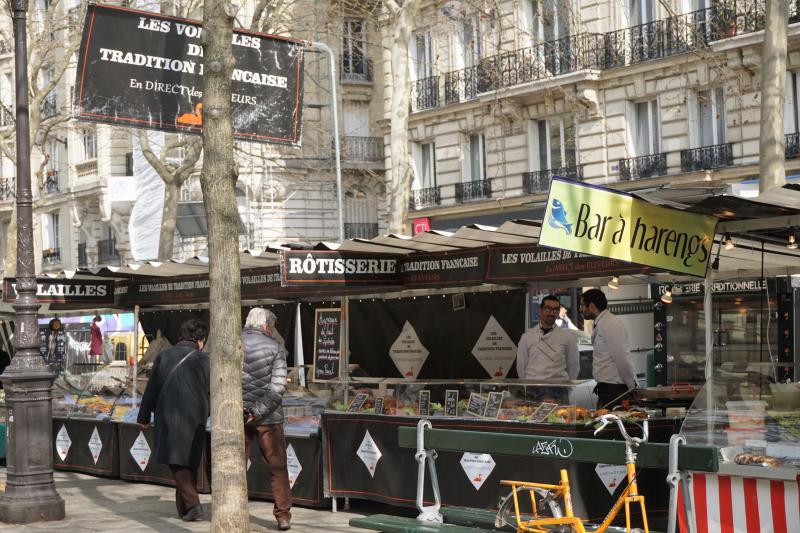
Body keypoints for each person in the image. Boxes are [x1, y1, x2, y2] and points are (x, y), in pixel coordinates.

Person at [137, 318, 210, 522]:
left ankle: (193, 505)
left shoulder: (165, 355)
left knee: (176, 462)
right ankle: (185, 509)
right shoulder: (205, 360)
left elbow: (151, 389)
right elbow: (212, 391)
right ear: (201, 340)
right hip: (196, 417)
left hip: (169, 415)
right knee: (188, 462)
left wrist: (143, 416)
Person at [242, 308, 292, 531]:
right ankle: (283, 516)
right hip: (269, 417)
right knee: (277, 468)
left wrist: (246, 410)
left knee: (236, 466)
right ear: (266, 326)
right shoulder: (275, 348)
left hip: (237, 415)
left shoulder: (231, 343)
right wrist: (259, 410)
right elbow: (278, 386)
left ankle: (236, 510)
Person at [580, 288, 637, 408]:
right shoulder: (600, 324)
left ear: (591, 306)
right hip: (606, 389)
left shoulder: (612, 324)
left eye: (582, 305)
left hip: (615, 390)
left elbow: (622, 358)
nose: (580, 309)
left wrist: (631, 386)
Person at [517, 295, 579, 402]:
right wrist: (528, 387)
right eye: (547, 308)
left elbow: (573, 365)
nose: (551, 312)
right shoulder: (527, 337)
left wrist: (567, 387)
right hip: (533, 390)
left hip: (559, 390)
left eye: (555, 310)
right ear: (540, 311)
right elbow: (521, 366)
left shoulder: (567, 337)